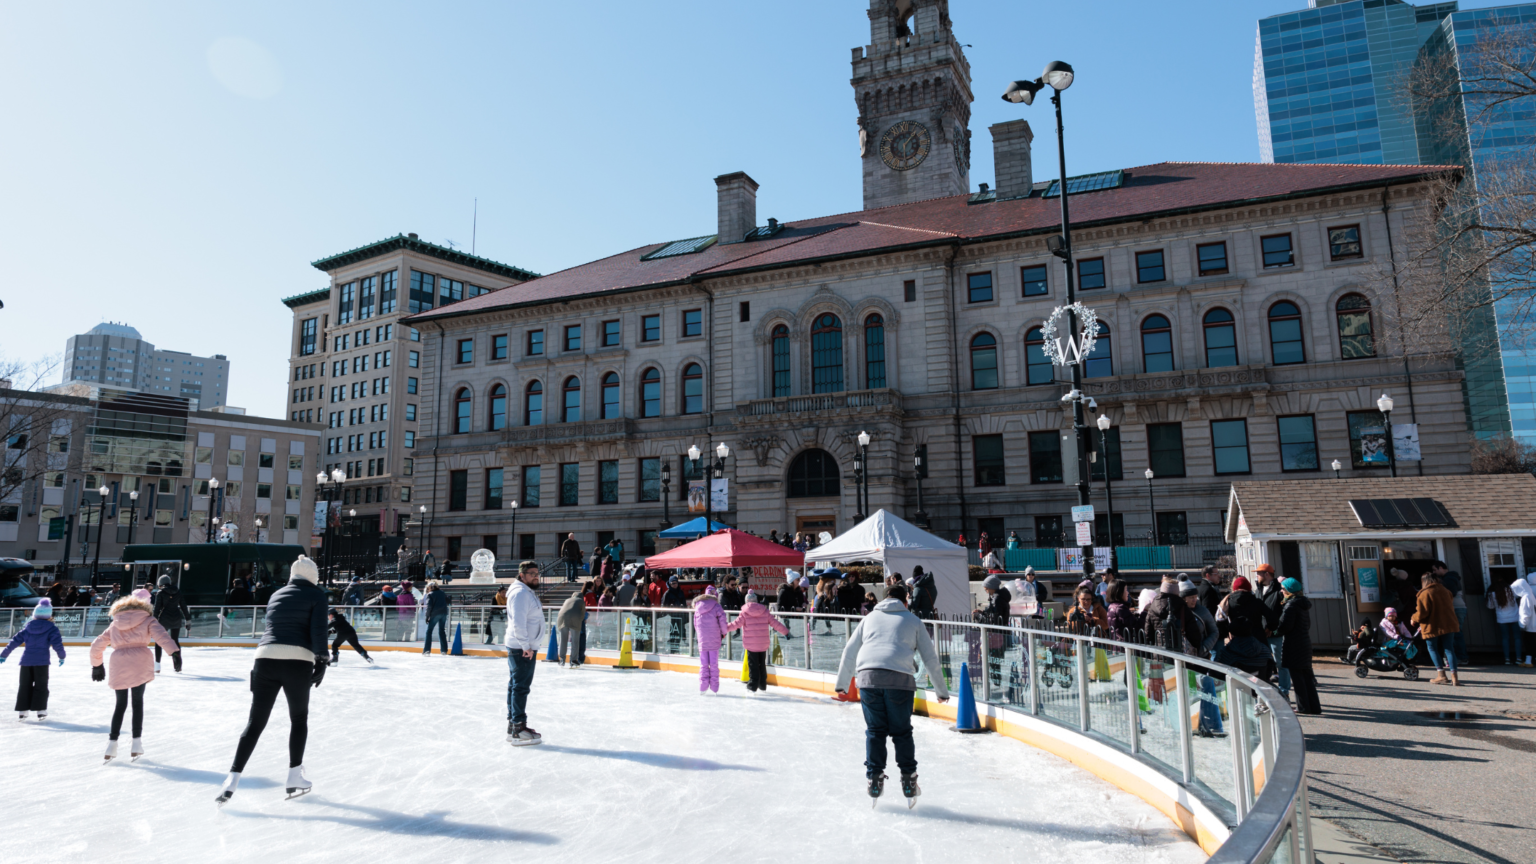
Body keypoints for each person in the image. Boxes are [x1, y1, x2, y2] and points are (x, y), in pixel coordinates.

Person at [215, 556, 328, 804]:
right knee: (298, 719)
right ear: (313, 576)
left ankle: (232, 778)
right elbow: (318, 630)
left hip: (264, 658)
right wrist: (322, 659)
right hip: (297, 661)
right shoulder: (317, 595)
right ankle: (294, 776)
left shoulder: (277, 594)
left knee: (255, 723)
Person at [834, 583, 950, 806]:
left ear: (884, 599)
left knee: (875, 731)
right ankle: (909, 781)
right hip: (899, 681)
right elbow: (930, 658)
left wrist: (842, 684)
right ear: (905, 601)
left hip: (868, 679)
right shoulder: (913, 620)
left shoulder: (869, 618)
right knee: (901, 732)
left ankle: (874, 779)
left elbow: (850, 650)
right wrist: (941, 691)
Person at [91, 589, 181, 762]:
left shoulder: (116, 622)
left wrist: (96, 665)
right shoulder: (148, 619)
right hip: (140, 660)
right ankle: (136, 744)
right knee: (137, 702)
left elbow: (98, 644)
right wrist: (174, 652)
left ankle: (112, 744)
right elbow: (161, 636)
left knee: (120, 704)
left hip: (119, 661)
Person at [2, 598, 66, 720]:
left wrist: (4, 654)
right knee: (41, 685)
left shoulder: (28, 627)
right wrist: (61, 656)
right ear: (49, 615)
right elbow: (57, 644)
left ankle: (22, 711)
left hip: (26, 661)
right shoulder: (52, 628)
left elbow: (14, 641)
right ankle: (40, 710)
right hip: (41, 662)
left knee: (24, 685)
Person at [504, 561, 546, 745]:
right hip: (522, 648)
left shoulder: (526, 591)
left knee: (516, 685)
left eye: (537, 573)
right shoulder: (520, 593)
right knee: (520, 687)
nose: (536, 576)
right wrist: (526, 646)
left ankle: (514, 726)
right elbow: (518, 623)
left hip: (523, 646)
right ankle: (518, 728)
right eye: (532, 574)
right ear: (522, 575)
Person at [726, 591, 789, 692]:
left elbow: (735, 624)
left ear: (746, 601)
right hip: (763, 644)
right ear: (756, 601)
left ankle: (752, 686)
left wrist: (723, 628)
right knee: (761, 665)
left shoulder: (744, 613)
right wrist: (785, 632)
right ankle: (762, 685)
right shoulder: (765, 611)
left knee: (753, 665)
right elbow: (775, 623)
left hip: (751, 645)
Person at [1276, 578, 1320, 714]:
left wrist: (1276, 629)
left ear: (1289, 591)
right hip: (1304, 643)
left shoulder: (1291, 605)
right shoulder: (1303, 604)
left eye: (1283, 589)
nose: (1281, 591)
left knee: (1297, 678)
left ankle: (1303, 707)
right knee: (1307, 677)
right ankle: (1314, 707)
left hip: (1294, 644)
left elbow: (1285, 626)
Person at [1413, 572, 1461, 686]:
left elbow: (1422, 613)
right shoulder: (1446, 591)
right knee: (1449, 649)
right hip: (1449, 623)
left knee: (1432, 648)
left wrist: (1413, 618)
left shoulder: (1424, 593)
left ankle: (1441, 675)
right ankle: (1455, 678)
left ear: (1424, 581)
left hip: (1432, 625)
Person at [1252, 564, 1288, 697]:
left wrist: (1273, 628)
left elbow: (1284, 613)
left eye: (1259, 573)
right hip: (1261, 634)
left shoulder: (1279, 590)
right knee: (1264, 663)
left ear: (1267, 574)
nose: (1257, 575)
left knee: (1280, 663)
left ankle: (1284, 691)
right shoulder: (1258, 590)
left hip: (1276, 634)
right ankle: (1265, 691)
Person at [1142, 576, 1201, 654]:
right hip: (1179, 653)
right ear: (1177, 591)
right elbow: (1194, 635)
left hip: (1159, 653)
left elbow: (1148, 634)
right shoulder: (1182, 607)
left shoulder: (1152, 607)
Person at [1430, 561, 1469, 666]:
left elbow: (1451, 593)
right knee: (1456, 633)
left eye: (1435, 570)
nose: (1434, 572)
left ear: (1441, 568)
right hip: (1458, 608)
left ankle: (1461, 658)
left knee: (1455, 634)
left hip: (1455, 608)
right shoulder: (1452, 577)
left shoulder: (1449, 578)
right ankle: (1460, 657)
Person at [692, 586, 729, 693]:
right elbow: (723, 621)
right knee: (713, 665)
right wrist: (724, 632)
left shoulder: (697, 606)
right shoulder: (717, 606)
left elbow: (695, 624)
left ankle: (703, 686)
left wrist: (699, 635)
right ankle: (714, 687)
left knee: (704, 664)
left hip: (702, 640)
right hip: (714, 639)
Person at [151, 574, 190, 673]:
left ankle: (157, 666)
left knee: (159, 641)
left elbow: (156, 609)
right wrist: (188, 620)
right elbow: (184, 606)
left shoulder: (160, 593)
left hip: (164, 619)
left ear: (161, 584)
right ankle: (178, 665)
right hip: (176, 618)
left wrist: (153, 622)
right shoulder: (178, 591)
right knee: (175, 641)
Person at [1489, 578, 1522, 665]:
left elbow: (1490, 606)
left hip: (1502, 619)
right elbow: (1519, 596)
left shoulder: (1493, 594)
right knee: (1517, 638)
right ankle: (1518, 658)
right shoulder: (1511, 591)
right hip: (1515, 617)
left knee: (1505, 638)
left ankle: (1507, 659)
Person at [1510, 571, 1536, 666]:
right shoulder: (1530, 595)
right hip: (1534, 623)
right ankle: (1529, 661)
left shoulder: (1526, 597)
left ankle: (1529, 662)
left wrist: (1523, 624)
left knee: (1529, 643)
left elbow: (1525, 613)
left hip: (1530, 625)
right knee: (1532, 643)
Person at [556, 588, 586, 667]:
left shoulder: (567, 600)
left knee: (563, 640)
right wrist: (579, 622)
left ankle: (562, 659)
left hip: (562, 618)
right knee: (575, 640)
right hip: (575, 619)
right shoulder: (581, 601)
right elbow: (582, 614)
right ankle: (573, 660)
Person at [422, 582, 450, 655]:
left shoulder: (430, 594)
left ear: (429, 588)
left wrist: (427, 616)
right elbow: (448, 601)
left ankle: (427, 650)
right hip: (444, 613)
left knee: (429, 631)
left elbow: (429, 606)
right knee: (442, 631)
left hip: (435, 614)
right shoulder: (442, 592)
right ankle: (444, 650)